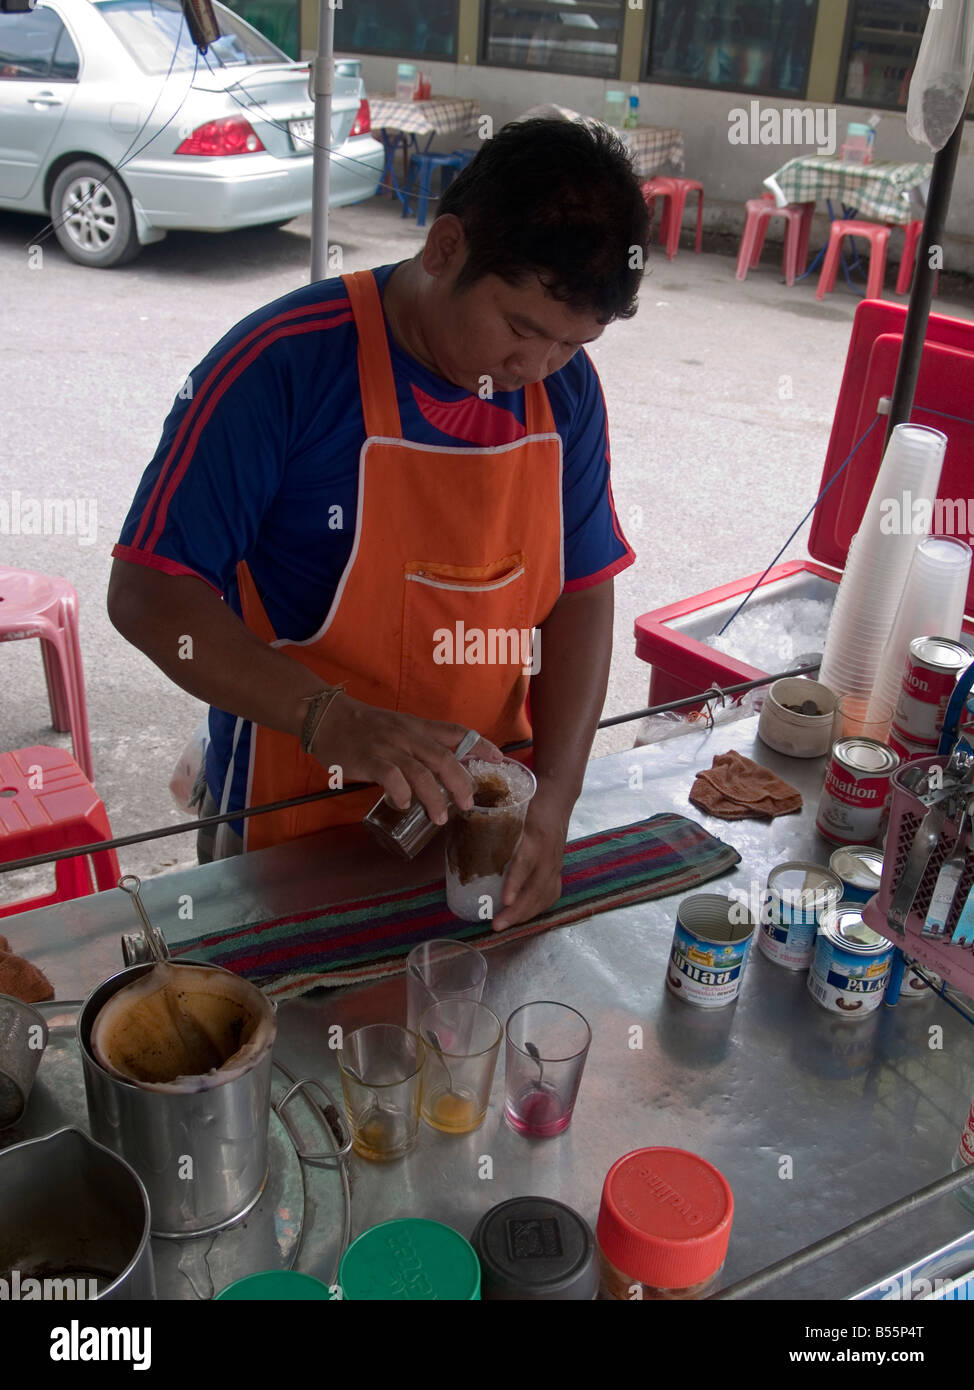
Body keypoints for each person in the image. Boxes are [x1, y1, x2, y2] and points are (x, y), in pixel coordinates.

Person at [108, 117, 649, 932]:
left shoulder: (564, 396)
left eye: (572, 344)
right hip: (286, 828)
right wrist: (334, 720)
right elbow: (149, 594)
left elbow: (580, 596)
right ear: (445, 249)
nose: (533, 369)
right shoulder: (281, 365)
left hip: (480, 812)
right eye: (522, 329)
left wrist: (555, 804)